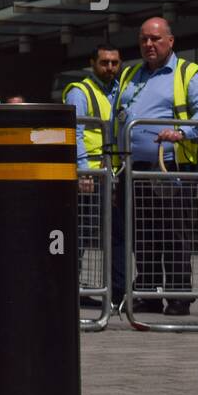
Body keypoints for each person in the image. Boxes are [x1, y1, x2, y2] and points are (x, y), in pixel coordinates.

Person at [113, 18, 198, 316]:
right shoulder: (131, 74)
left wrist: (182, 132)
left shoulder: (188, 73)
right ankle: (147, 293)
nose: (149, 44)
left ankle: (177, 297)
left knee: (173, 233)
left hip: (171, 168)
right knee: (142, 234)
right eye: (144, 39)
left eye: (156, 39)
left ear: (170, 41)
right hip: (134, 169)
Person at [64, 44, 122, 307]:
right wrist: (83, 170)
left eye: (114, 63)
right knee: (80, 235)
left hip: (114, 172)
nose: (109, 67)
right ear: (92, 63)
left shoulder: (120, 91)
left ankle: (118, 291)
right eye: (104, 62)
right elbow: (74, 133)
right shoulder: (81, 92)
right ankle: (69, 288)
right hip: (91, 174)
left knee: (117, 233)